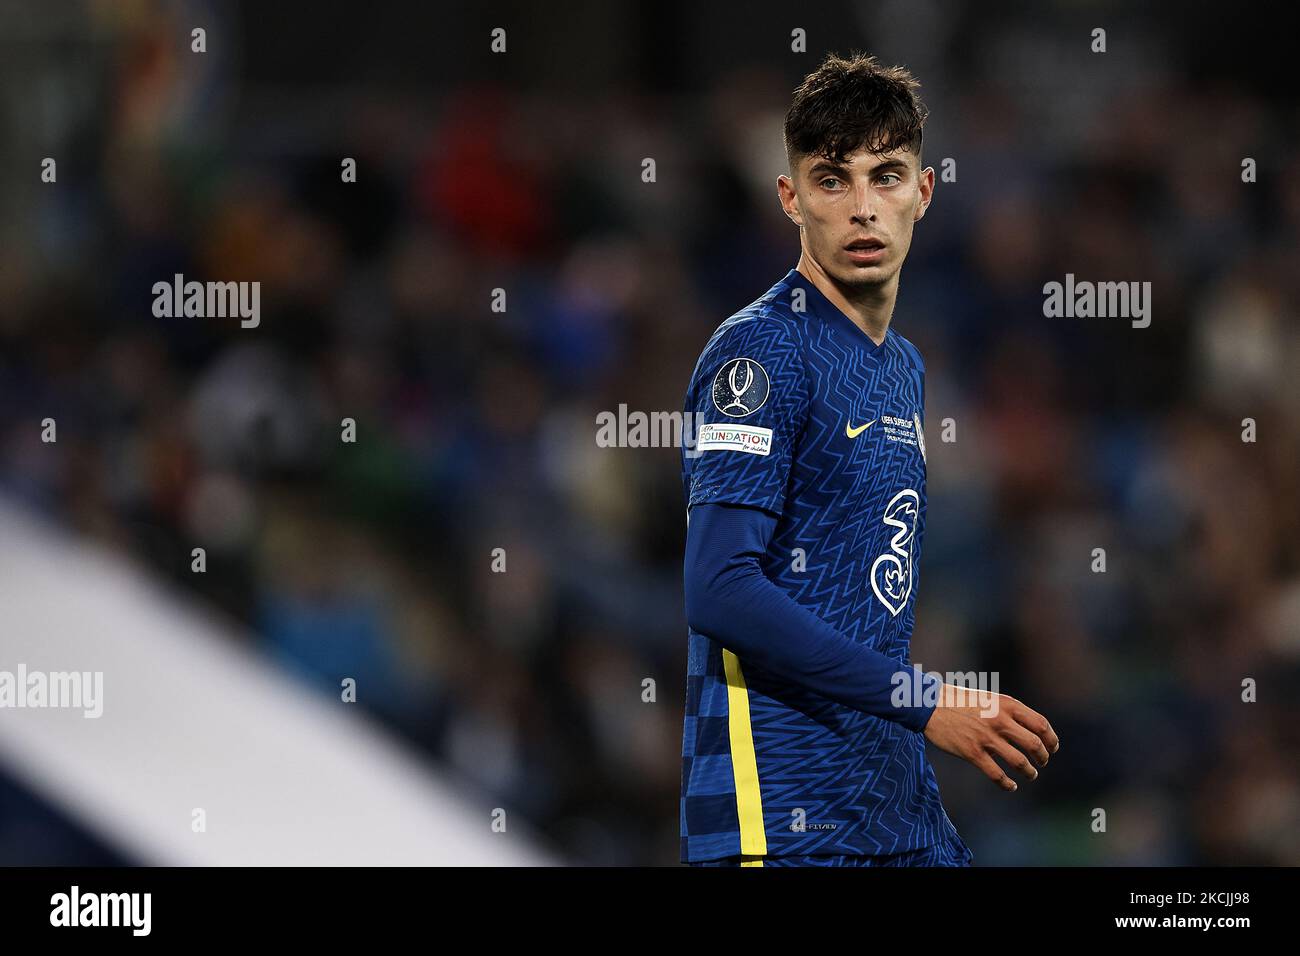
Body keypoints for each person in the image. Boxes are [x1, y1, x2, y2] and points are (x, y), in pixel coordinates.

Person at [679, 51, 1060, 867]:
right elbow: (718, 588)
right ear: (791, 198)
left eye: (886, 176)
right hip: (780, 815)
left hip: (893, 801)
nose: (862, 209)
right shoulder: (759, 353)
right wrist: (925, 700)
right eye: (830, 179)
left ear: (923, 192)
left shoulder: (904, 368)